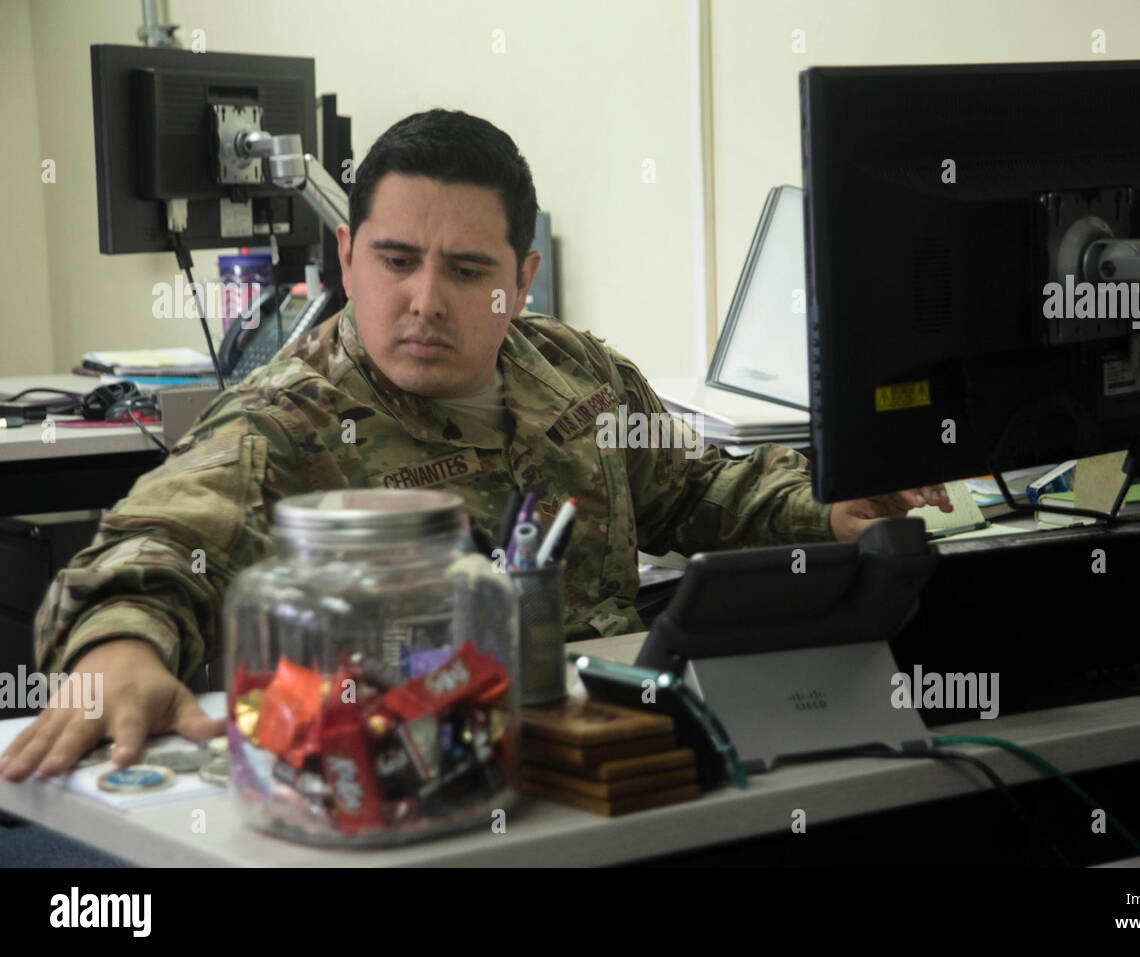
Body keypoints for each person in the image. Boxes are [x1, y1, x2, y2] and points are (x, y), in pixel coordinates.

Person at [0, 109, 950, 783]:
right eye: (395, 261)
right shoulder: (284, 421)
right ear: (346, 259)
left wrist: (828, 506)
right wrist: (117, 650)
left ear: (521, 276)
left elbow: (698, 490)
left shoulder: (574, 371)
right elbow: (151, 542)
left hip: (610, 762)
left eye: (466, 270)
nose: (425, 300)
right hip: (418, 789)